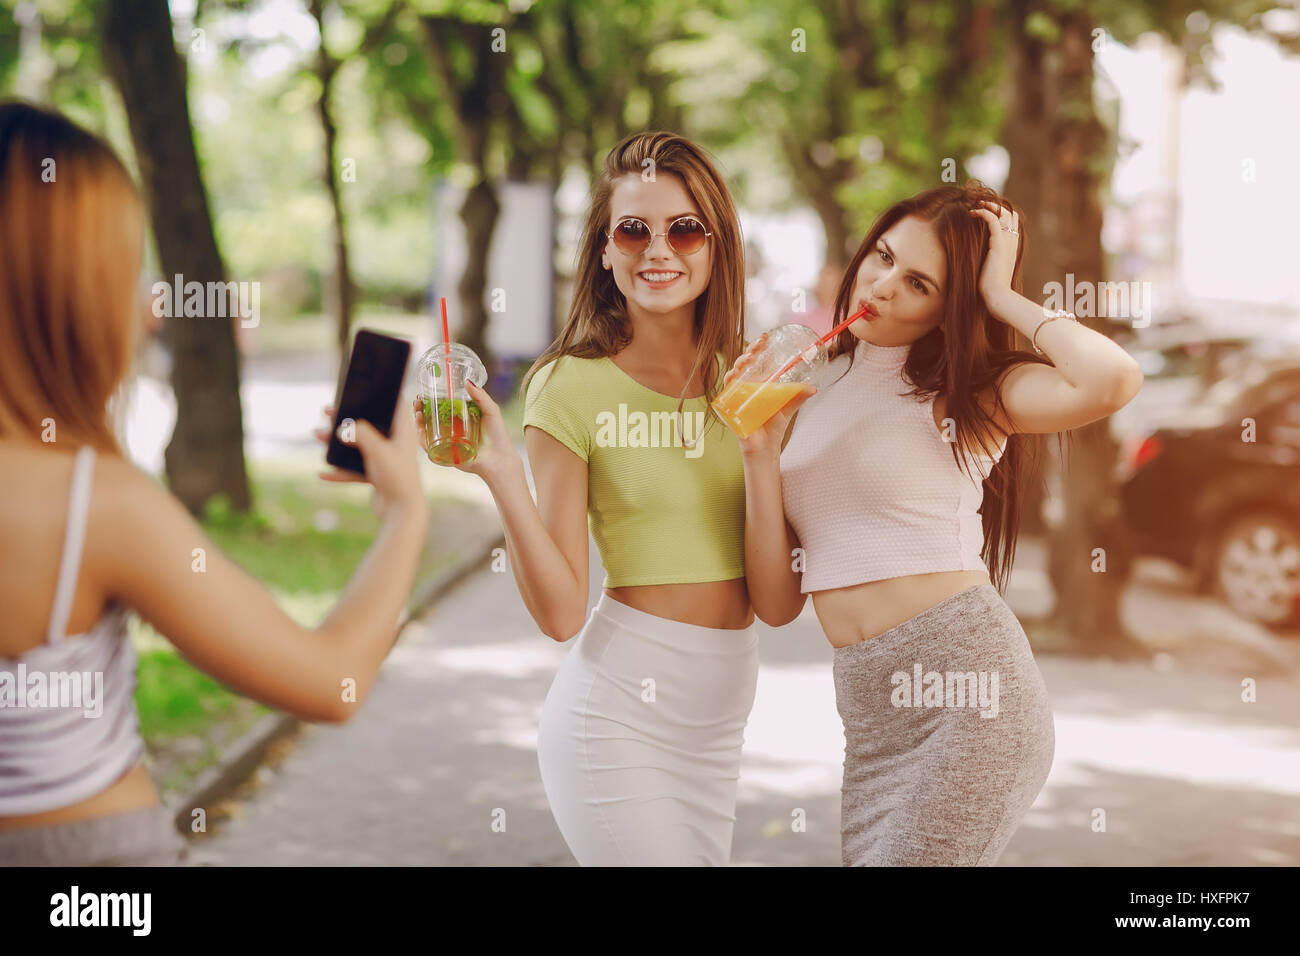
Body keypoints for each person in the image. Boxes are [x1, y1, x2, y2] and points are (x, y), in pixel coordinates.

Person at [0, 101, 429, 865]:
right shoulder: (94, 505)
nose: (142, 302)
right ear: (68, 292)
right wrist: (406, 514)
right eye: (127, 269)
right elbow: (331, 682)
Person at [729, 182, 1144, 866]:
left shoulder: (970, 392)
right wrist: (756, 453)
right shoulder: (812, 383)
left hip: (972, 703)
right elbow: (776, 602)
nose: (884, 285)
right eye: (883, 256)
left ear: (950, 307)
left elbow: (1112, 380)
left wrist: (1003, 297)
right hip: (869, 716)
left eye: (918, 283)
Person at [415, 131, 754, 866]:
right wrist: (503, 477)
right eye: (632, 230)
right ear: (604, 250)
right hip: (618, 716)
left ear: (717, 244)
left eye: (684, 228)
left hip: (719, 719)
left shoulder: (751, 379)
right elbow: (563, 613)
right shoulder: (569, 384)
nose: (657, 250)